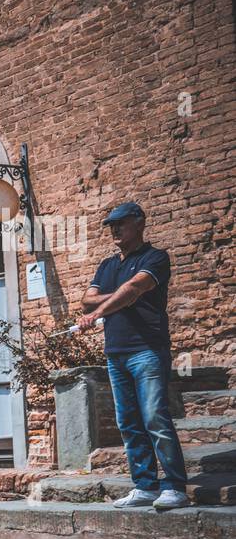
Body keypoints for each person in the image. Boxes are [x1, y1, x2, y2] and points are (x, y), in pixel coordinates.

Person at [79, 202, 189, 510]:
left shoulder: (155, 258)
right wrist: (117, 298)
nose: (114, 229)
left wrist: (105, 305)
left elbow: (132, 290)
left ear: (139, 223)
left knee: (155, 416)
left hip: (148, 351)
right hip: (116, 354)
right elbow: (85, 301)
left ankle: (175, 487)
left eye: (121, 223)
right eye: (111, 224)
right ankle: (145, 486)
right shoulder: (107, 265)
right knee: (127, 422)